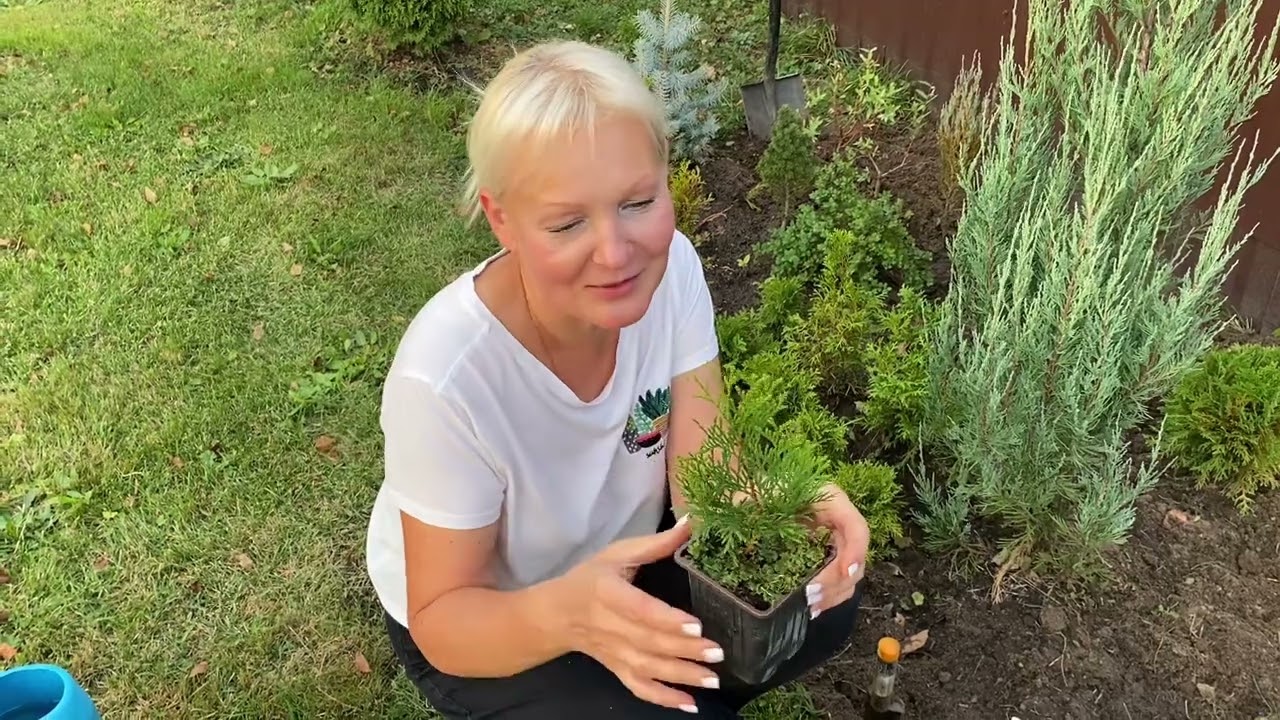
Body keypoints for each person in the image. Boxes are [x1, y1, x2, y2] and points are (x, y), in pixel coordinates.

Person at [363, 39, 871, 719]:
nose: (615, 252)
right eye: (567, 222)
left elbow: (702, 471)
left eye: (637, 202)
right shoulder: (446, 378)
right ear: (501, 218)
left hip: (625, 553)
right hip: (492, 616)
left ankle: (673, 685)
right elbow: (444, 618)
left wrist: (781, 504)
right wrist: (572, 618)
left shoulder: (673, 272)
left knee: (822, 607)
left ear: (666, 176)